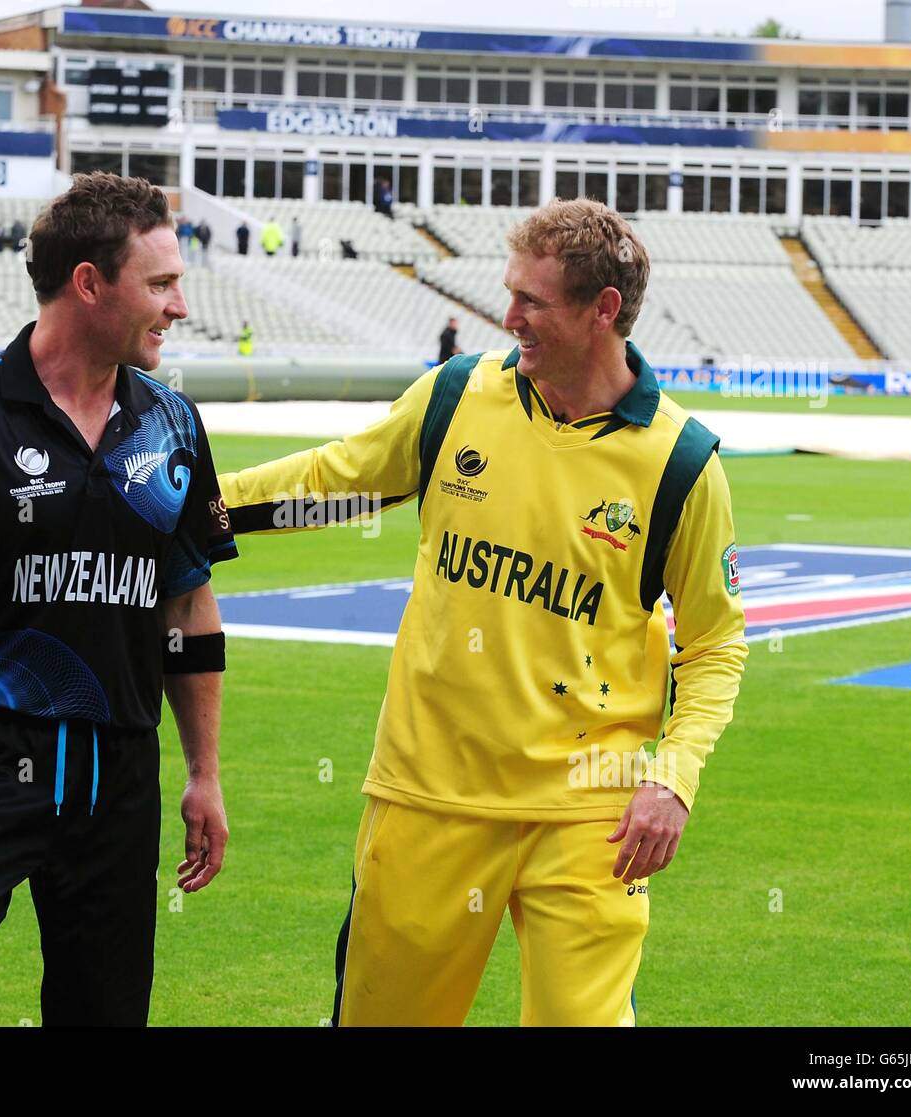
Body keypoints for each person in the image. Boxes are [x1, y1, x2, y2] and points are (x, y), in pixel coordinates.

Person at [219, 198, 747, 1027]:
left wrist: (673, 778)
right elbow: (332, 483)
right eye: (511, 294)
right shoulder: (458, 397)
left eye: (532, 301)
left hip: (589, 806)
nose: (507, 318)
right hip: (430, 790)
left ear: (602, 310)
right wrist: (195, 511)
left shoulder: (680, 463)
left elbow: (715, 644)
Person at [0, 172, 238, 1027]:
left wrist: (204, 771)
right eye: (161, 284)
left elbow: (188, 610)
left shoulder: (172, 425)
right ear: (90, 284)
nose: (178, 306)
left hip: (118, 777)